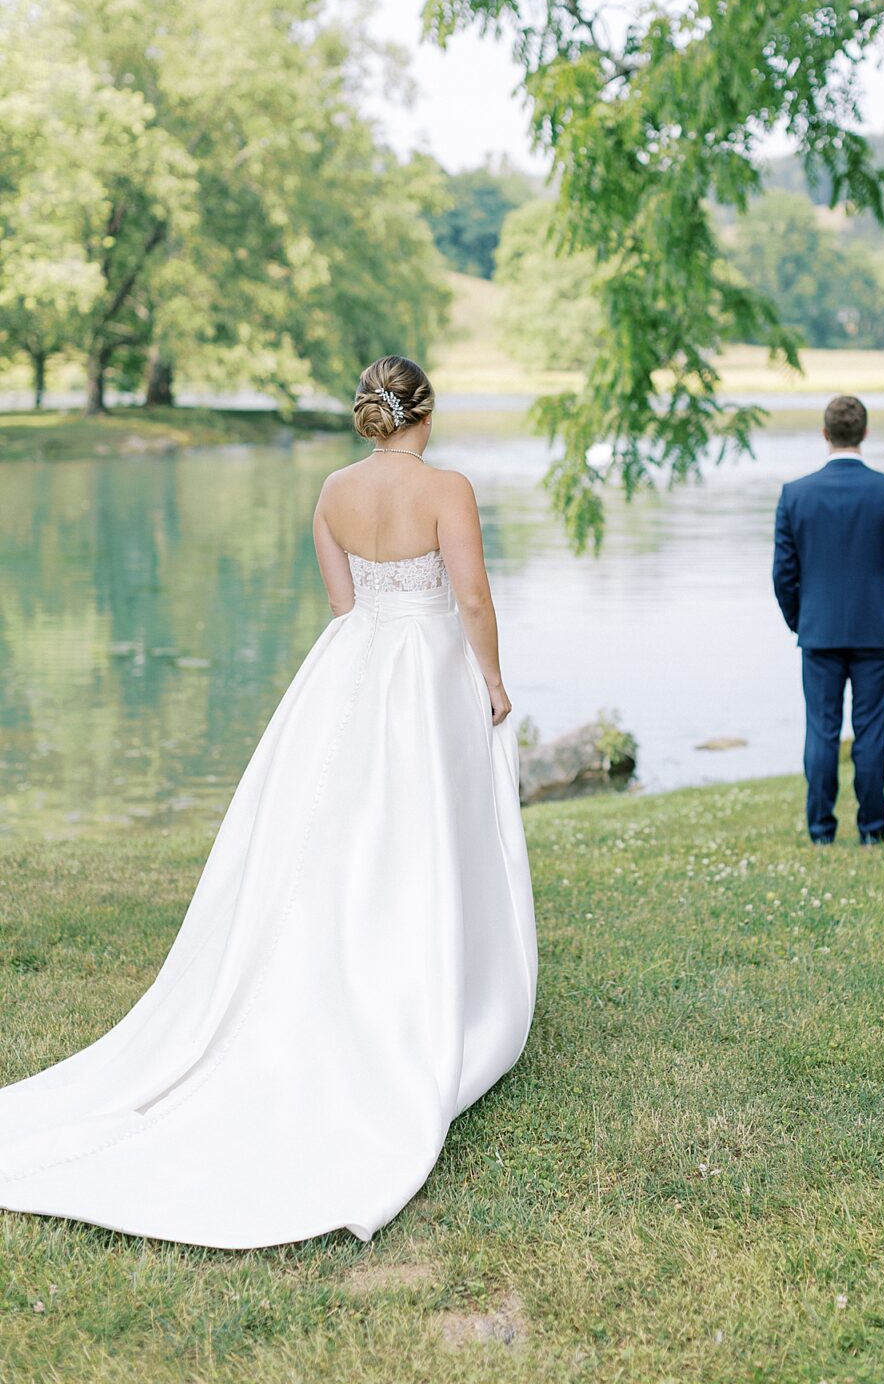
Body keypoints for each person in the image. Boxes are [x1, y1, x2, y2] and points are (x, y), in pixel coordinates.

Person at [0, 356, 537, 1249]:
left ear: (370, 414)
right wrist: (492, 678)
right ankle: (427, 985)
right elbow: (472, 596)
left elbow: (342, 601)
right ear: (425, 414)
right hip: (426, 671)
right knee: (423, 835)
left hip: (351, 669)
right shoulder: (449, 489)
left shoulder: (332, 491)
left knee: (333, 833)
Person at [772, 395, 884, 846]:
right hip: (877, 631)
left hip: (819, 632)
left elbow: (783, 574)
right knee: (871, 732)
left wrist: (801, 621)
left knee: (821, 731)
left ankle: (821, 831)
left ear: (825, 434)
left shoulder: (795, 495)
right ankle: (873, 831)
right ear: (865, 434)